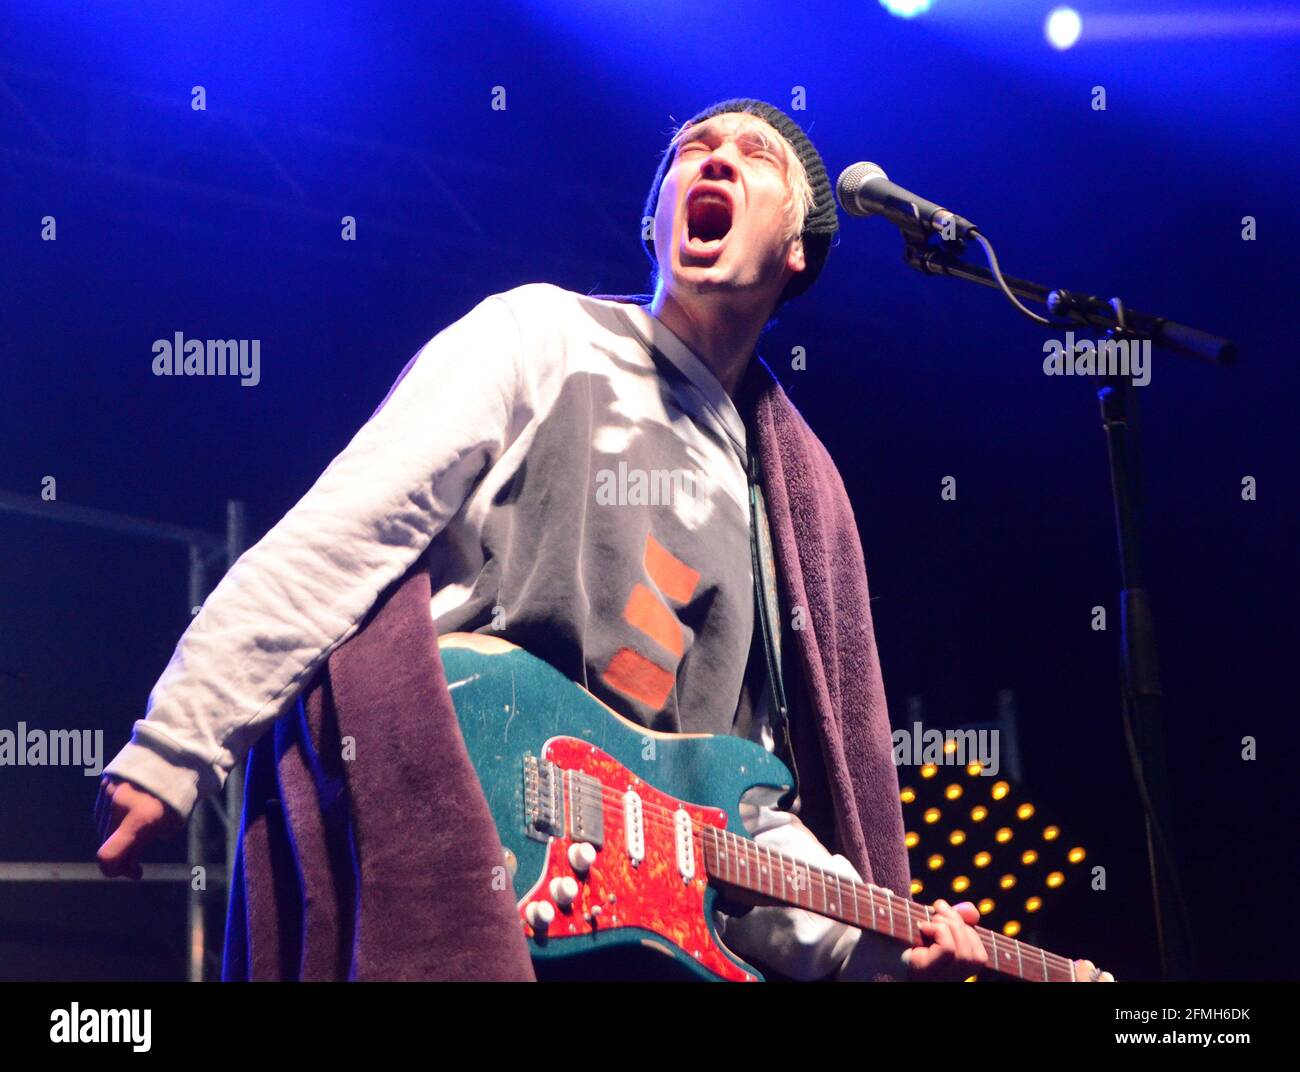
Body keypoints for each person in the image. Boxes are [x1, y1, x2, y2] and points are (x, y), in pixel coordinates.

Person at [94, 97, 1057, 982]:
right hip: (445, 841)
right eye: (692, 151)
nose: (712, 161)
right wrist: (176, 742)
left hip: (628, 940)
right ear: (658, 219)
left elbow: (735, 798)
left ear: (799, 248)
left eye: (751, 153)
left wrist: (872, 946)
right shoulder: (540, 338)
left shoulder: (792, 493)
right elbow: (346, 533)